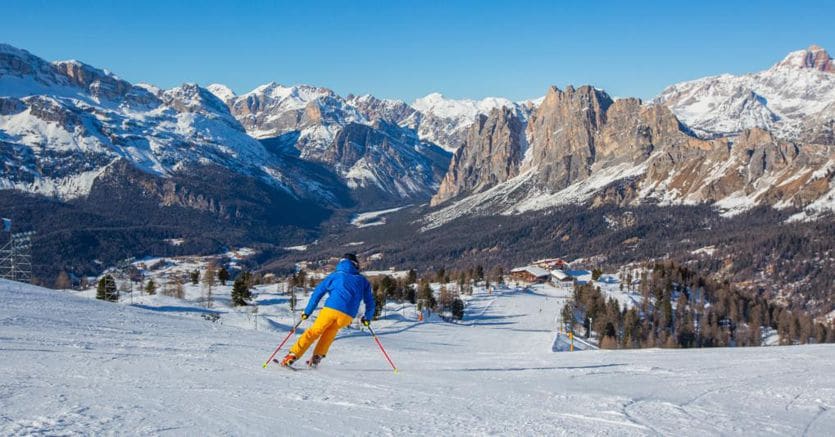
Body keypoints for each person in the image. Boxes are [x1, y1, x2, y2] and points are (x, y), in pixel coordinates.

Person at [280, 253, 375, 368]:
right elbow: (370, 301)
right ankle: (317, 357)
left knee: (314, 332)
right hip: (348, 316)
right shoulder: (363, 281)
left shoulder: (334, 276)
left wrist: (307, 312)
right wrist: (367, 318)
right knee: (330, 332)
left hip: (331, 309)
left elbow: (317, 294)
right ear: (355, 265)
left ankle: (293, 355)